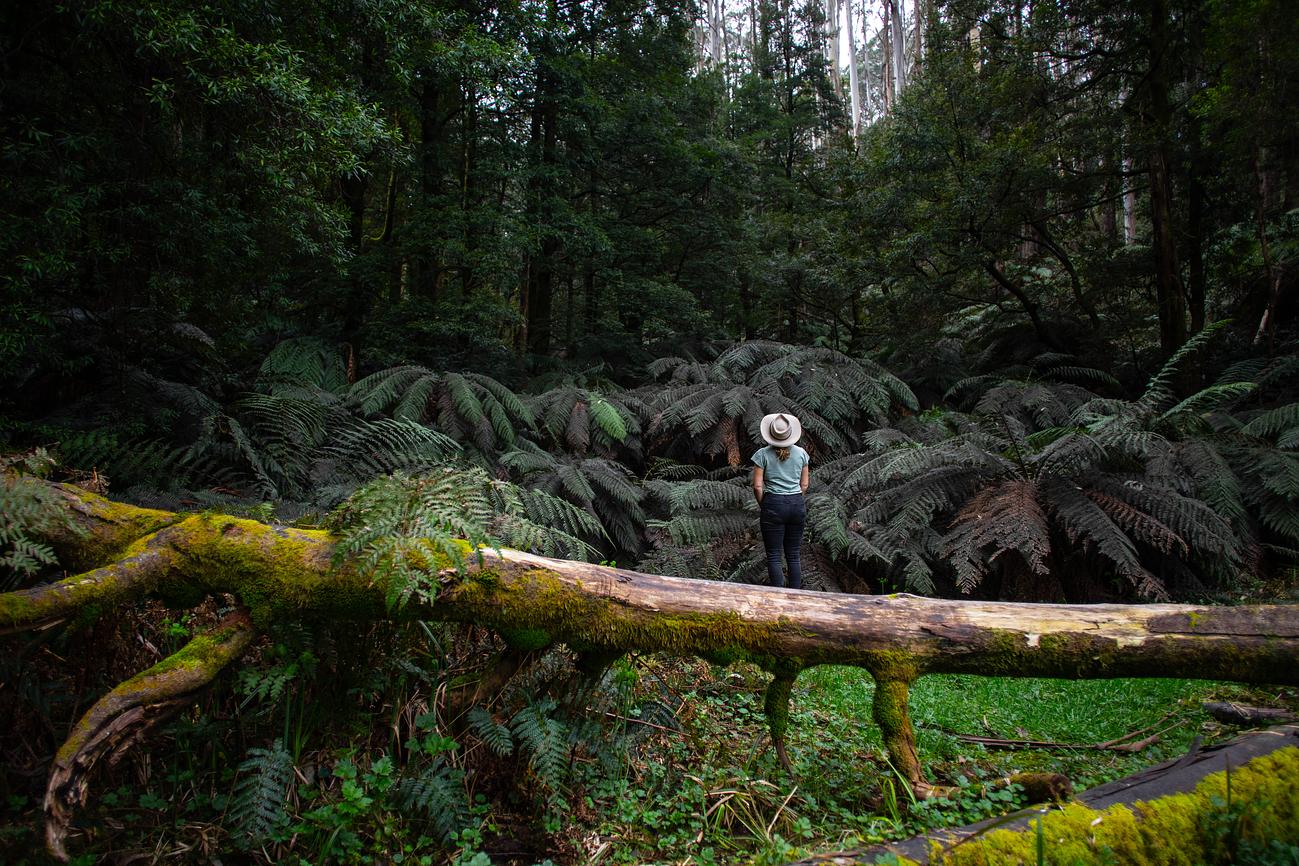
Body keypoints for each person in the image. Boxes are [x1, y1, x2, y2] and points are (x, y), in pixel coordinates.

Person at [751, 413, 810, 589]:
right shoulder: (801, 454)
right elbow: (804, 484)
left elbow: (757, 487)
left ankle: (778, 596)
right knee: (793, 554)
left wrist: (765, 504)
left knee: (774, 555)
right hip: (796, 504)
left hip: (772, 504)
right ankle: (796, 596)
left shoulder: (762, 455)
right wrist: (795, 499)